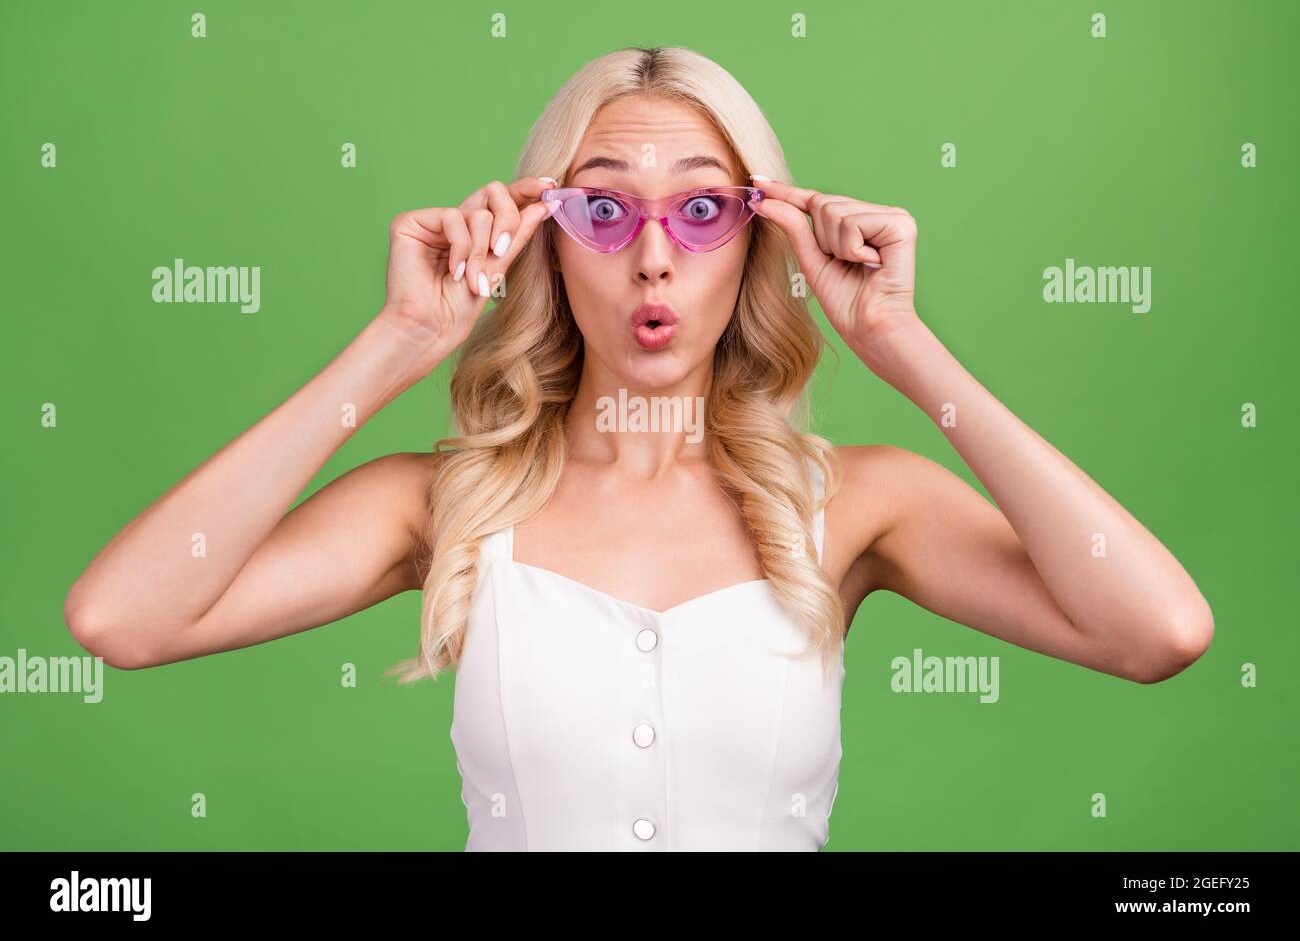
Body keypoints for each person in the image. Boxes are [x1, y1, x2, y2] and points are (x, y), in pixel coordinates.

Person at [63, 46, 1213, 851]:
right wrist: (397, 342)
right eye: (603, 211)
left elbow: (1158, 629)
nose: (653, 258)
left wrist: (901, 343)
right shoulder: (443, 504)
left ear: (755, 247)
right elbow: (124, 618)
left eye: (703, 210)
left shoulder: (858, 503)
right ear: (547, 248)